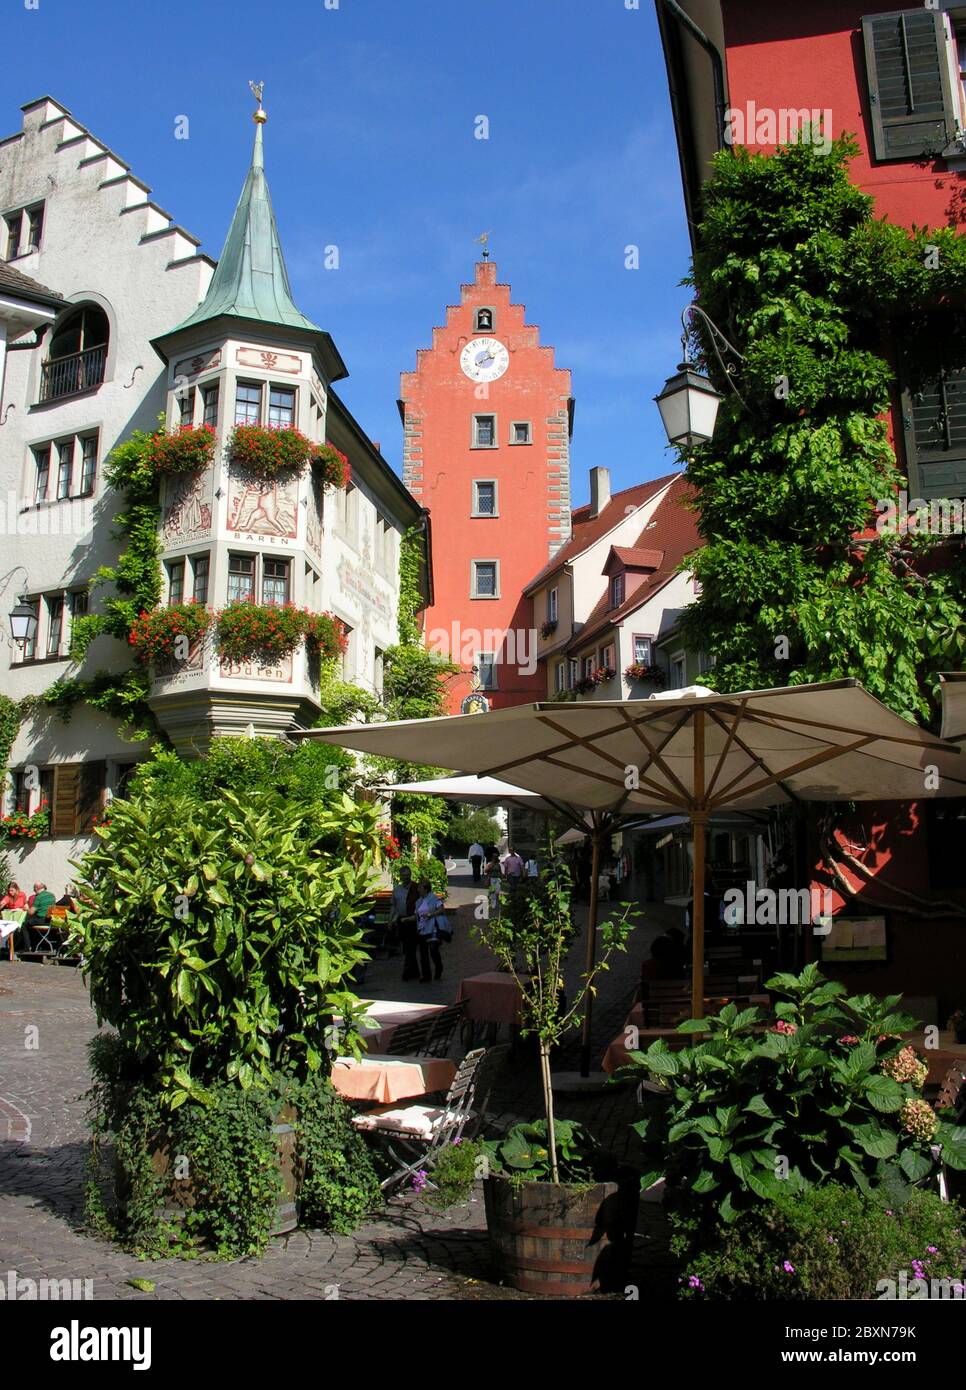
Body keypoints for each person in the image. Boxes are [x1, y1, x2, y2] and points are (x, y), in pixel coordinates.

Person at [390, 866, 419, 982]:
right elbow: (394, 906)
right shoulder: (397, 890)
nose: (405, 877)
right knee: (407, 947)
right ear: (400, 876)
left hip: (413, 921)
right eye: (403, 875)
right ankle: (415, 971)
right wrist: (390, 920)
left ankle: (406, 972)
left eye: (407, 875)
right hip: (401, 921)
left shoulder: (416, 888)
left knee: (410, 947)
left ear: (410, 875)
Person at [414, 878, 446, 983]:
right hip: (422, 929)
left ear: (426, 889)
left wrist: (430, 914)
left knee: (433, 951)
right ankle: (426, 976)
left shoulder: (433, 898)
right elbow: (416, 915)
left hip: (433, 929)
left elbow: (441, 909)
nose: (418, 889)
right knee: (423, 953)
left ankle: (438, 968)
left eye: (420, 888)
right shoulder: (418, 901)